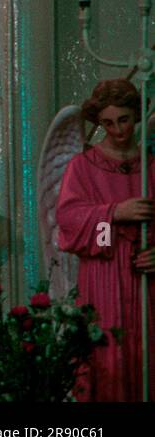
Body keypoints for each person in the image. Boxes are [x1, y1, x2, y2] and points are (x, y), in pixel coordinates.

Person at [56, 78, 155, 401]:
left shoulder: (151, 167)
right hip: (103, 279)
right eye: (107, 123)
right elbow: (70, 223)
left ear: (136, 116)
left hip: (147, 284)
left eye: (123, 119)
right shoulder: (82, 167)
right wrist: (113, 214)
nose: (117, 129)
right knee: (107, 359)